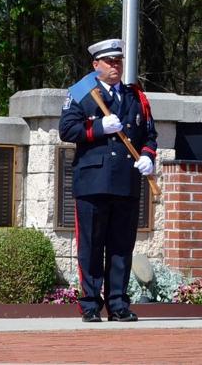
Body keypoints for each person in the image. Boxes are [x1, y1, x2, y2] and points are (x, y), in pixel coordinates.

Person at [59, 38, 158, 323]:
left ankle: (117, 303)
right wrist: (99, 127)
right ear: (96, 65)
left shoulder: (135, 96)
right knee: (91, 246)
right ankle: (90, 304)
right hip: (93, 181)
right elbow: (67, 129)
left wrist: (148, 157)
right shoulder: (81, 92)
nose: (115, 66)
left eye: (118, 61)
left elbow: (149, 134)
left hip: (126, 182)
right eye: (109, 61)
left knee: (120, 247)